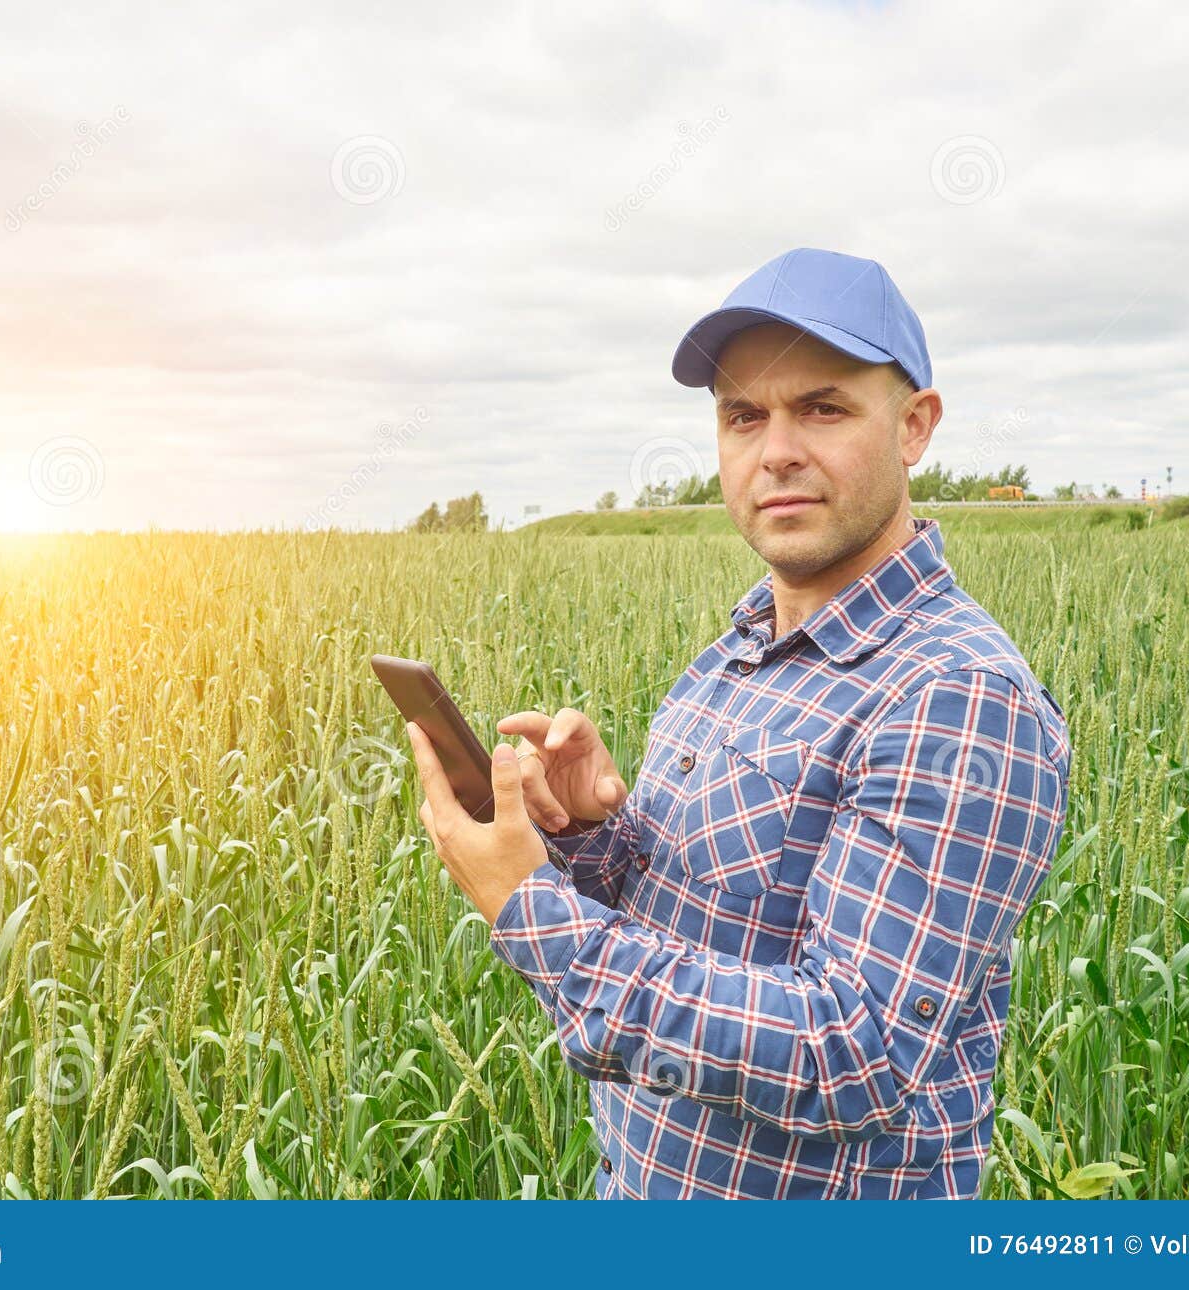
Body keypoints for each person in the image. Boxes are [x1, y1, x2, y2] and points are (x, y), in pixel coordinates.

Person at [406, 247, 1071, 1199]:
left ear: (915, 424)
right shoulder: (740, 649)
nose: (777, 450)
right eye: (743, 415)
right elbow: (709, 920)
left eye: (824, 407)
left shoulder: (959, 697)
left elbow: (857, 1051)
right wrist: (591, 839)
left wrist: (531, 912)